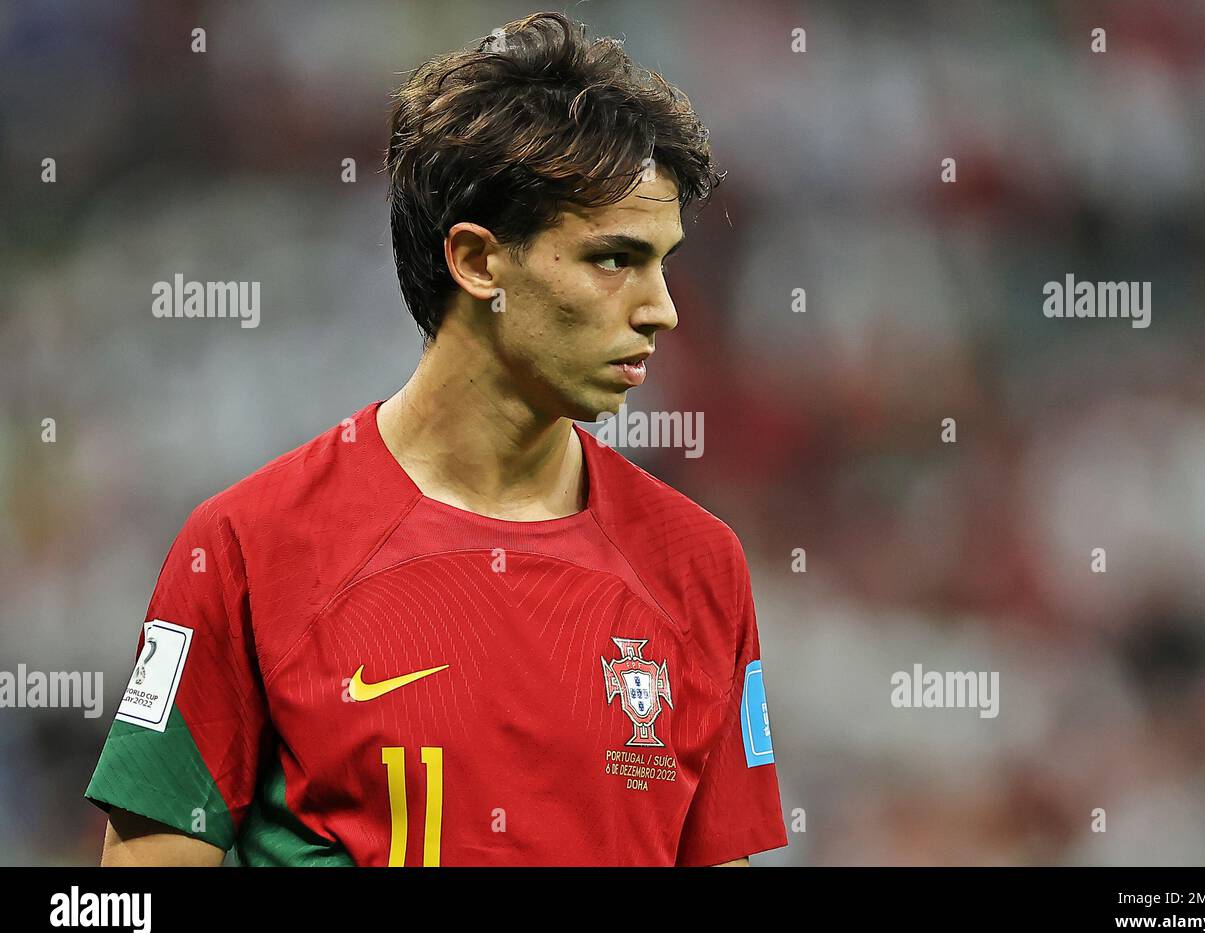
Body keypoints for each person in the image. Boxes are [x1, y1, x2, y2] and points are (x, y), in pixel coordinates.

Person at [87, 10, 786, 866]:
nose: (662, 309)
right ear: (478, 262)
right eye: (615, 259)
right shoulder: (246, 549)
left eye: (664, 262)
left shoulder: (700, 567)